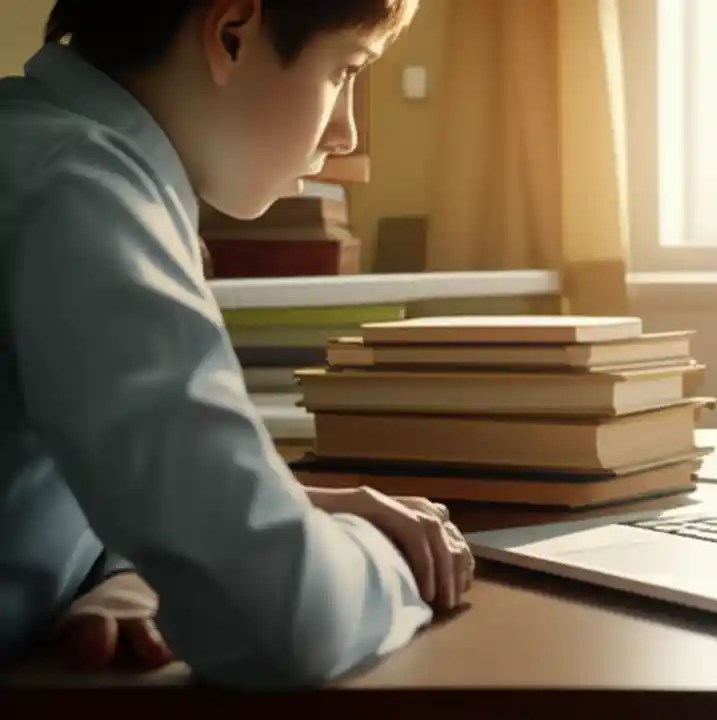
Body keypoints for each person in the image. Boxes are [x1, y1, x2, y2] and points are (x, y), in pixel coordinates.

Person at [0, 0, 475, 689]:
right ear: (230, 35)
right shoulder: (78, 189)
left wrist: (143, 561)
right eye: (345, 71)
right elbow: (283, 615)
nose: (344, 133)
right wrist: (391, 556)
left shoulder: (32, 146)